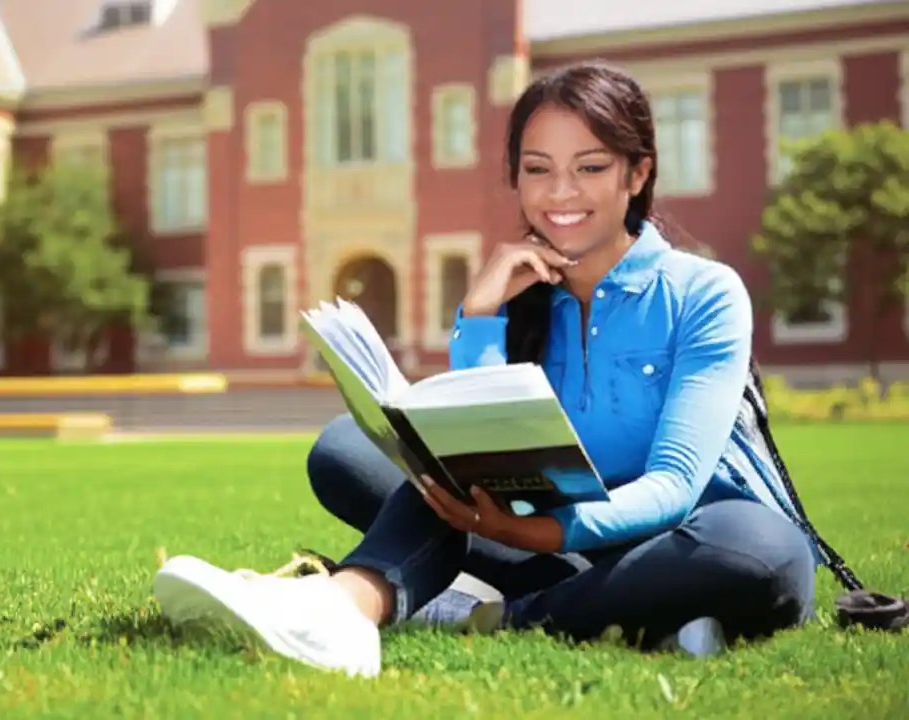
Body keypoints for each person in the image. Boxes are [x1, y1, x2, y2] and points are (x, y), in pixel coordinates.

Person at [151, 62, 822, 678]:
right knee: (346, 451)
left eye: (590, 167)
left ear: (636, 174)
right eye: (538, 169)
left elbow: (675, 484)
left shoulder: (704, 293)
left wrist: (546, 530)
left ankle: (502, 611)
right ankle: (342, 610)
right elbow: (478, 447)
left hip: (682, 540)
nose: (561, 193)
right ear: (516, 176)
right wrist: (480, 313)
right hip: (548, 540)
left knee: (760, 550)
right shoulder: (524, 297)